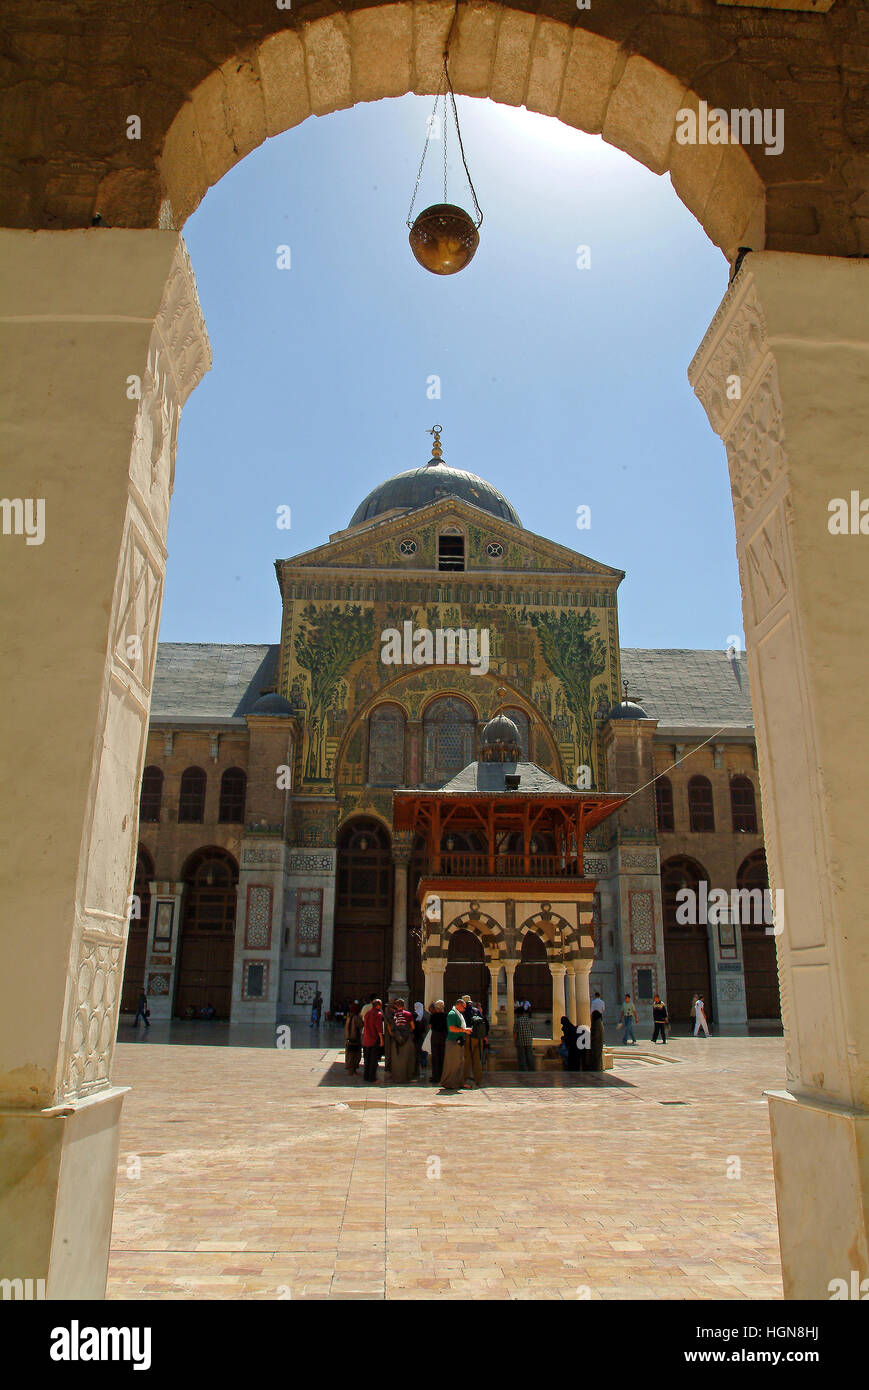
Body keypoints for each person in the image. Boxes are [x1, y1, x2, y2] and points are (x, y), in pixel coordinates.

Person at [439, 1000, 471, 1090]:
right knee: (452, 1064)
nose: (464, 1009)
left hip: (459, 1041)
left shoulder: (458, 1014)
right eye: (463, 1007)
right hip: (453, 1041)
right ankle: (448, 1083)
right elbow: (451, 1028)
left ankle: (459, 1082)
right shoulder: (452, 1014)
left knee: (459, 1063)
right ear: (458, 1005)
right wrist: (464, 1030)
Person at [387, 997, 415, 1083]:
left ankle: (396, 1077)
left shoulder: (393, 1014)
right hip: (407, 1039)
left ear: (396, 1005)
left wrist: (394, 1035)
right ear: (404, 1005)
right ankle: (406, 1077)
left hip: (395, 1040)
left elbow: (389, 1026)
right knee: (407, 1058)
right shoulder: (408, 1014)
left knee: (396, 1059)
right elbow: (413, 1027)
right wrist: (407, 1033)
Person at [467, 1000, 488, 1087]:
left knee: (467, 1059)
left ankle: (466, 1079)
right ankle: (478, 1079)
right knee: (477, 1060)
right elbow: (486, 1025)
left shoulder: (466, 1012)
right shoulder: (478, 1013)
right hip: (479, 1037)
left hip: (469, 1037)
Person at [362, 998, 384, 1082]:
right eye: (380, 1004)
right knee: (373, 1060)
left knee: (367, 1059)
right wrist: (381, 1040)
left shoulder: (367, 1013)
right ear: (378, 1005)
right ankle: (372, 1078)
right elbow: (379, 1028)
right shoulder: (378, 1014)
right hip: (374, 1039)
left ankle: (366, 1076)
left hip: (366, 1039)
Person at [428, 1000, 447, 1084]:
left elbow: (430, 1026)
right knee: (442, 1056)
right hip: (444, 1036)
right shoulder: (446, 1015)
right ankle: (442, 1075)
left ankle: (435, 1076)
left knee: (435, 1057)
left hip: (435, 1036)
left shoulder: (433, 1016)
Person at [344, 1001, 363, 1075]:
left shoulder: (349, 1017)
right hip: (354, 1039)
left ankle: (351, 1070)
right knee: (354, 1055)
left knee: (350, 1055)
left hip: (349, 1039)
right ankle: (352, 1070)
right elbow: (361, 1025)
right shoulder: (355, 1017)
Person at [514, 1004, 534, 1071]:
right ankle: (531, 1069)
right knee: (529, 1056)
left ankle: (523, 1070)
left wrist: (515, 1041)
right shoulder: (528, 1020)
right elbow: (532, 1029)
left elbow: (515, 1032)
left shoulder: (517, 1021)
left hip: (520, 1041)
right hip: (528, 1040)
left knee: (521, 1056)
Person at [413, 1001, 429, 1080]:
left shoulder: (414, 1015)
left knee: (420, 1053)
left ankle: (418, 1069)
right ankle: (422, 1069)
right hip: (422, 1036)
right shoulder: (426, 1014)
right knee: (423, 1053)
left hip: (417, 1037)